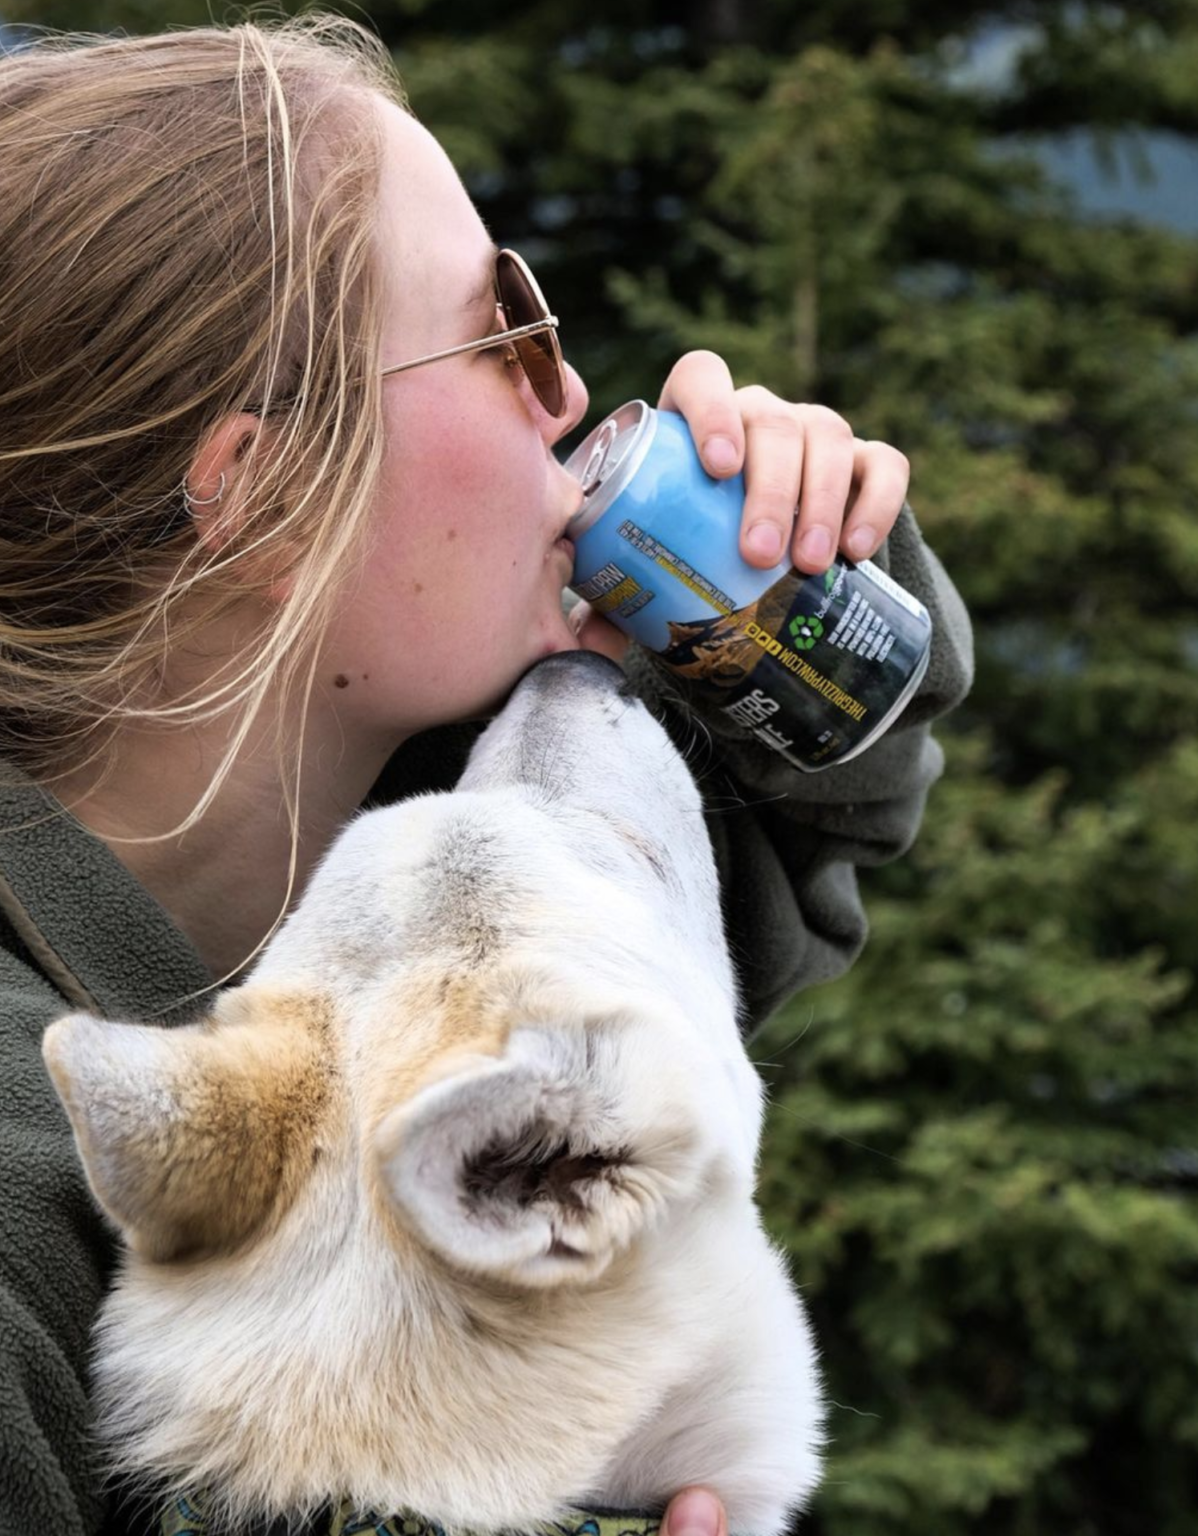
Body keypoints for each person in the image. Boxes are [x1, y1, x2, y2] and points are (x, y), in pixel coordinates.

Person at [0, 15, 973, 1536]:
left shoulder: (413, 858)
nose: (570, 395)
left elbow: (794, 829)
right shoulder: (15, 1214)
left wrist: (797, 581)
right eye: (502, 329)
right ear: (259, 503)